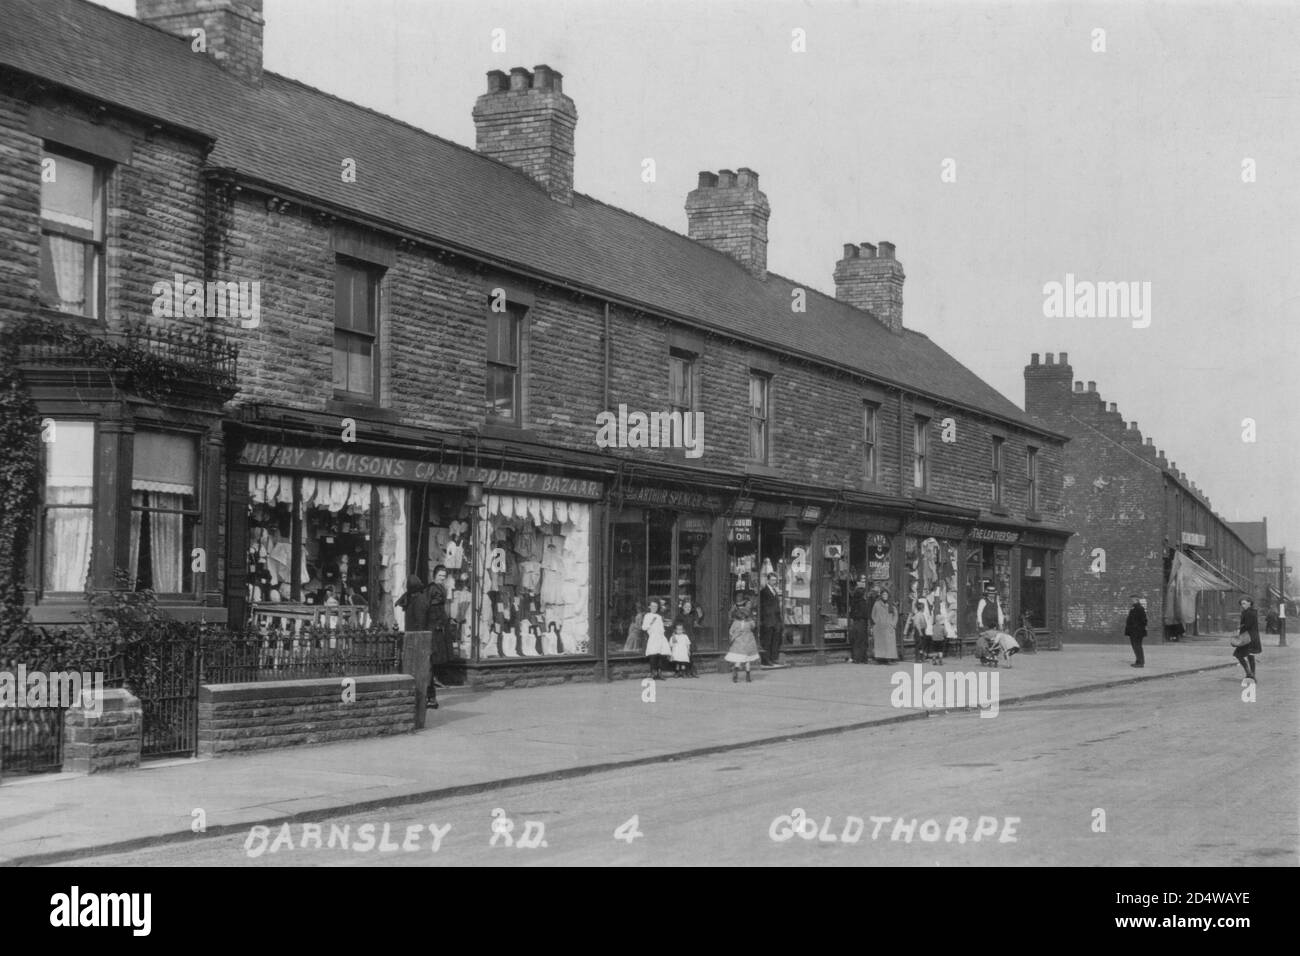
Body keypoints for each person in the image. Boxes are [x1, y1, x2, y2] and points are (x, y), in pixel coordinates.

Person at [395, 573, 438, 710]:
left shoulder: (419, 600)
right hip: (416, 638)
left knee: (425, 669)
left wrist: (417, 639)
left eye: (405, 584)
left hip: (420, 639)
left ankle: (429, 697)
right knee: (422, 668)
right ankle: (425, 697)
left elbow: (420, 622)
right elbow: (402, 601)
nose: (403, 586)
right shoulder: (413, 597)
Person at [726, 591, 761, 683]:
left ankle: (735, 671)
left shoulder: (736, 623)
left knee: (738, 659)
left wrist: (733, 637)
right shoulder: (749, 623)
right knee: (747, 661)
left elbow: (731, 631)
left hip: (739, 644)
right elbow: (754, 626)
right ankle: (748, 676)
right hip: (748, 644)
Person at [758, 573, 783, 668]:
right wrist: (764, 619)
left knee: (775, 640)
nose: (774, 582)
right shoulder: (764, 591)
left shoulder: (774, 590)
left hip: (776, 620)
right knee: (767, 641)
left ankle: (773, 658)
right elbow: (763, 607)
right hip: (768, 620)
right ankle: (765, 660)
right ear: (768, 580)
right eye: (772, 580)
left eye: (775, 580)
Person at [642, 598, 670, 680]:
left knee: (661, 654)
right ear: (649, 607)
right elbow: (644, 627)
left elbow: (661, 628)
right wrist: (651, 623)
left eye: (656, 606)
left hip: (660, 636)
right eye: (653, 606)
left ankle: (659, 672)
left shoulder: (659, 616)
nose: (654, 608)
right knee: (653, 654)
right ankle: (653, 672)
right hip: (653, 637)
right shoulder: (647, 616)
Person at [1234, 597, 1261, 683]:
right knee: (1250, 656)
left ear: (1250, 603)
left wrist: (1239, 628)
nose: (1242, 605)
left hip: (1247, 637)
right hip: (1253, 637)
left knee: (1238, 654)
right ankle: (1251, 674)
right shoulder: (1252, 612)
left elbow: (1248, 625)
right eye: (1242, 604)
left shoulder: (1248, 613)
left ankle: (1249, 673)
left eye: (1244, 603)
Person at [871, 587, 899, 663]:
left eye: (886, 594)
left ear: (888, 595)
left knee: (889, 644)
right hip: (879, 627)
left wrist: (893, 624)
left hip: (888, 627)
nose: (885, 596)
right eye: (883, 594)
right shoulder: (877, 604)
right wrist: (876, 622)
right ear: (881, 595)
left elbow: (895, 615)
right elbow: (873, 614)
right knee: (880, 644)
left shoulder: (891, 604)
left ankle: (889, 658)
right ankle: (880, 658)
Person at [847, 577, 870, 663]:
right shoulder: (862, 602)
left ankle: (857, 657)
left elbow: (852, 613)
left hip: (856, 623)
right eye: (864, 593)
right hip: (862, 623)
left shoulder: (854, 602)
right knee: (862, 641)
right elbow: (865, 613)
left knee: (856, 641)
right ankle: (862, 658)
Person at [1124, 593, 1147, 668]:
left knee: (1137, 646)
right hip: (1133, 631)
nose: (1132, 600)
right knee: (1135, 646)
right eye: (1132, 599)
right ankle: (1138, 661)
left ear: (1137, 599)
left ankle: (1140, 662)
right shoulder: (1134, 608)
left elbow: (1144, 620)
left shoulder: (1139, 608)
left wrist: (1137, 627)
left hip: (1137, 631)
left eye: (1133, 599)